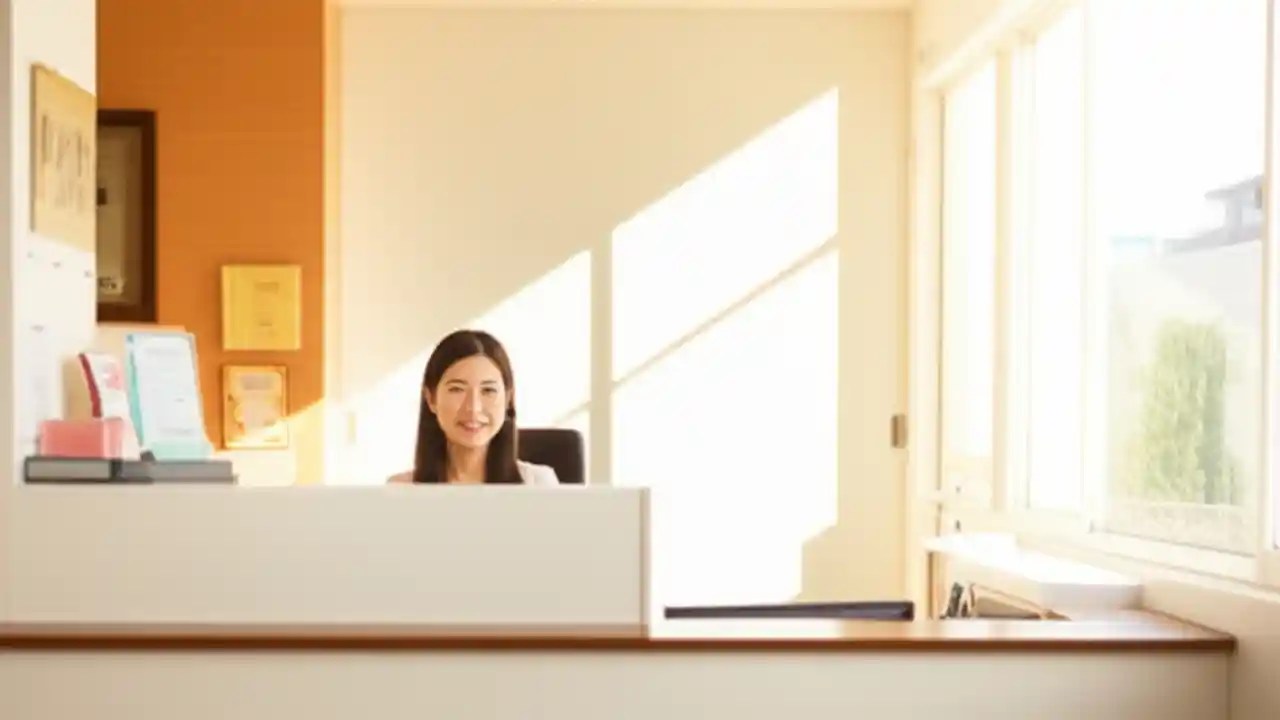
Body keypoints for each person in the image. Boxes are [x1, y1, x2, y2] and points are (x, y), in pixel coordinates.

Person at [388, 329, 559, 486]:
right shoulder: (401, 489)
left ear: (508, 399)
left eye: (488, 390)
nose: (473, 408)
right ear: (431, 399)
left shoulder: (538, 484)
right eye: (457, 389)